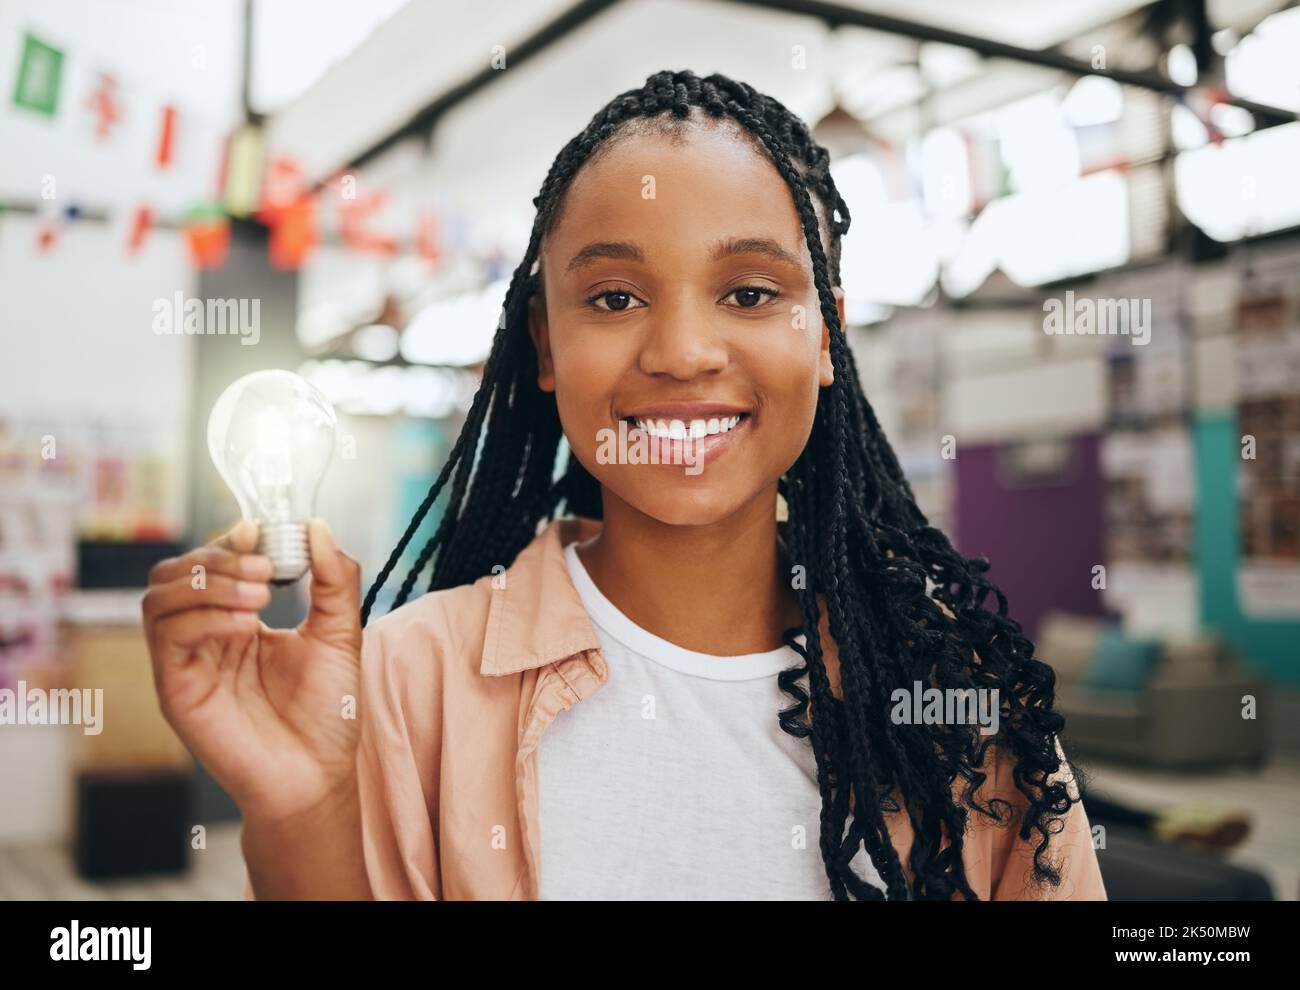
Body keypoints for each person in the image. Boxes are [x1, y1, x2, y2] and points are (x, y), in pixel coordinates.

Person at [142, 69, 1105, 901]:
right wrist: (301, 808)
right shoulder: (404, 680)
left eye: (751, 293)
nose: (684, 352)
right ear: (547, 345)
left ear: (826, 337)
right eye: (614, 298)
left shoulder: (961, 711)